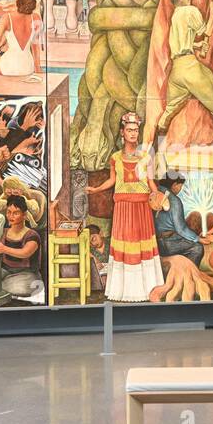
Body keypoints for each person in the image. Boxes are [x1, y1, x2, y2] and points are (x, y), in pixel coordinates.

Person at [86, 112, 162, 301]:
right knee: (125, 248)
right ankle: (123, 291)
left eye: (136, 130)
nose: (133, 134)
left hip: (142, 208)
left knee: (141, 248)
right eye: (129, 130)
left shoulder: (146, 156)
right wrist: (95, 190)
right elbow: (112, 180)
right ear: (122, 132)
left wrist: (157, 195)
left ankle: (146, 291)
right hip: (122, 209)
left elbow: (151, 182)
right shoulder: (115, 158)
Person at [152, 0, 213, 145]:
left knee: (169, 111)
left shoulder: (176, 16)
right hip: (189, 68)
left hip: (177, 69)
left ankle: (155, 148)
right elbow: (207, 31)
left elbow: (183, 42)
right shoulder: (189, 10)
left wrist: (198, 45)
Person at [0, 194, 43, 298]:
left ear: (24, 215)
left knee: (24, 287)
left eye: (16, 213)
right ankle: (1, 287)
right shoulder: (3, 232)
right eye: (9, 212)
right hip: (5, 271)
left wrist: (3, 249)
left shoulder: (32, 235)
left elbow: (25, 253)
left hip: (27, 275)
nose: (11, 216)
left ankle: (1, 287)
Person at [154, 171, 204, 265]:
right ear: (175, 185)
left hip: (153, 242)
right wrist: (198, 239)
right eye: (180, 186)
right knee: (197, 248)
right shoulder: (174, 201)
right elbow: (181, 229)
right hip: (166, 244)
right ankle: (187, 275)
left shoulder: (154, 194)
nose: (180, 189)